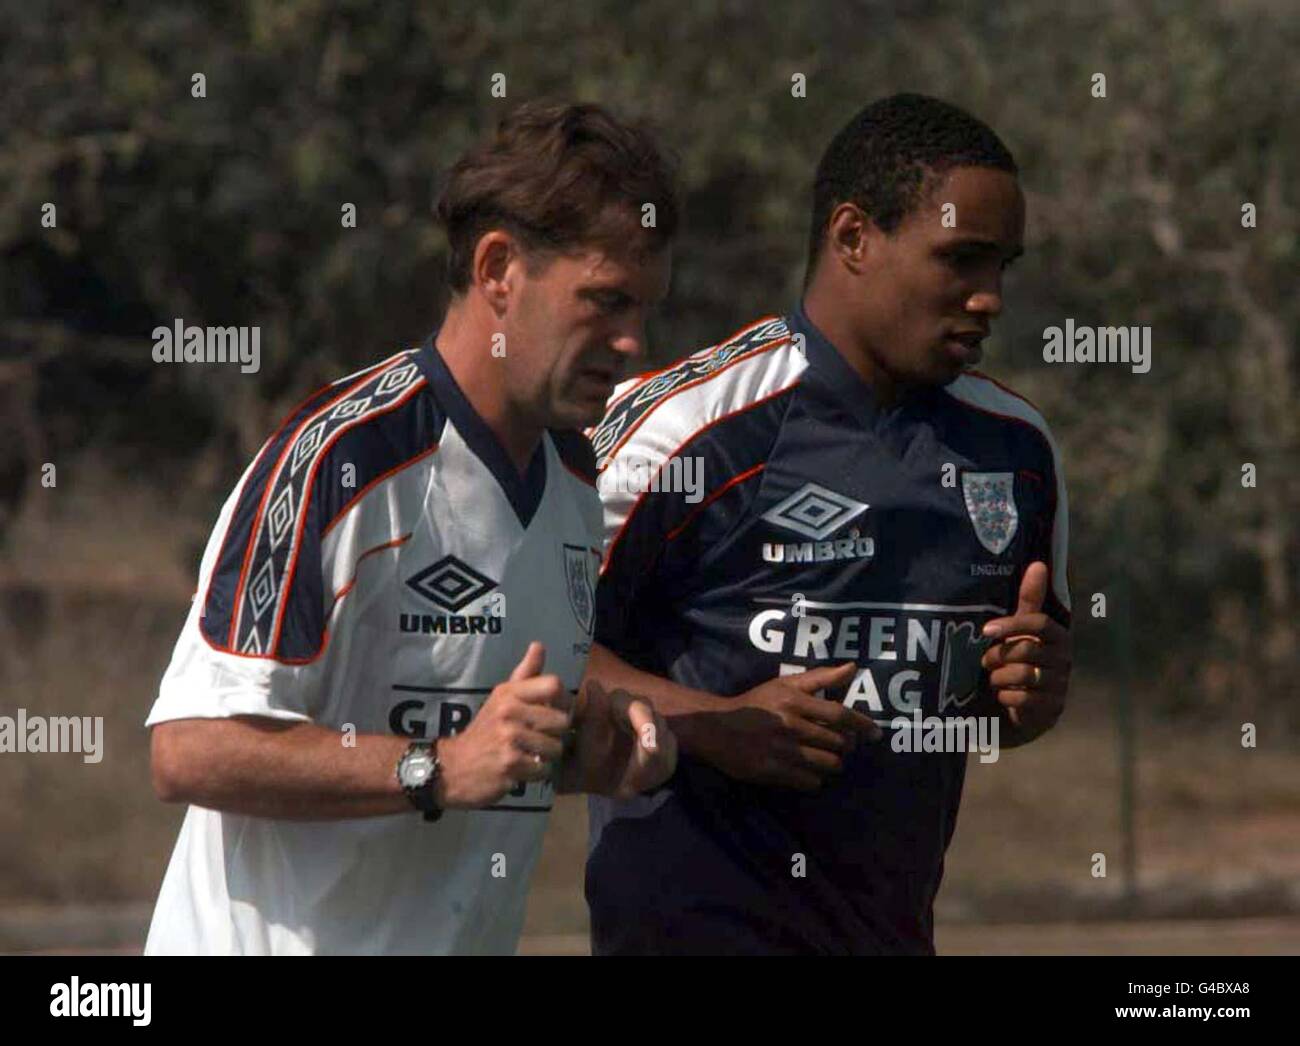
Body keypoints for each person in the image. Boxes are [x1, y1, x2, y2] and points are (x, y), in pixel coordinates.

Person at [144, 100, 678, 955]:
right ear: (499, 267)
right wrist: (436, 768)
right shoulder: (339, 460)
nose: (630, 342)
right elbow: (191, 748)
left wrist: (587, 759)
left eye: (644, 310)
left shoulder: (577, 482)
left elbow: (483, 744)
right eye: (605, 301)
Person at [583, 92, 1072, 955]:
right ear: (853, 238)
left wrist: (1030, 695)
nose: (990, 298)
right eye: (962, 260)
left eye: (1004, 268)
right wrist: (713, 723)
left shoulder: (1016, 452)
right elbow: (530, 650)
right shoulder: (685, 430)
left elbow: (1002, 708)